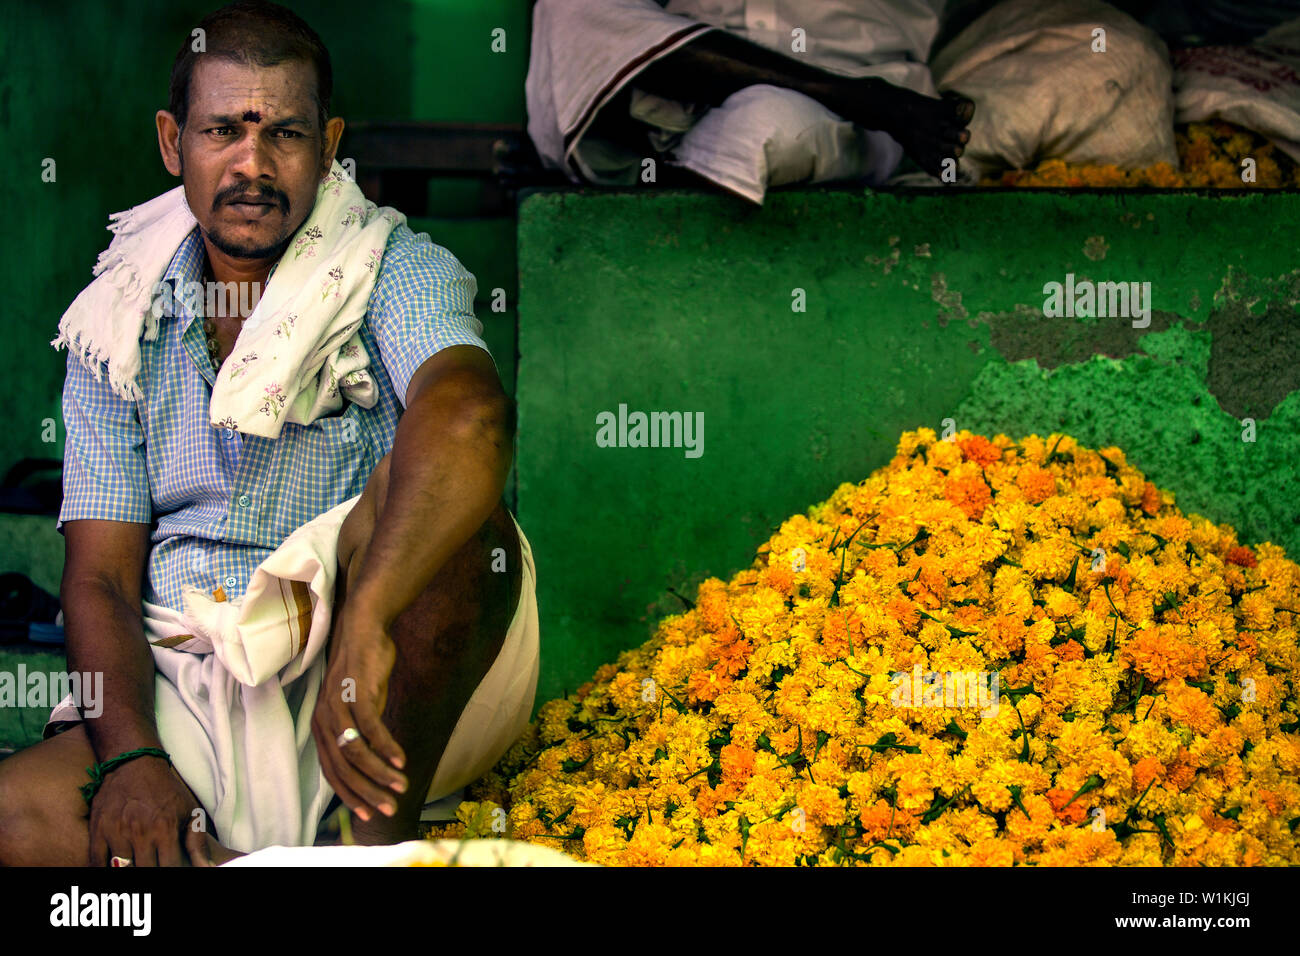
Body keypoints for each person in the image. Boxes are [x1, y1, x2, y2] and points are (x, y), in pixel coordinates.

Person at [0, 0, 539, 866]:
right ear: (174, 144)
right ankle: (268, 853)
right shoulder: (116, 316)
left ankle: (371, 845)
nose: (252, 165)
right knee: (14, 822)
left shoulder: (391, 267)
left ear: (328, 148)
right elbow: (98, 578)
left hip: (378, 680)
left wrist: (367, 616)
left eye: (283, 135)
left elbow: (473, 416)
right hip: (193, 679)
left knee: (454, 515)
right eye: (223, 131)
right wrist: (135, 762)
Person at [526, 0, 976, 203]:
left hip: (857, 85)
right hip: (689, 68)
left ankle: (631, 151)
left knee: (761, 129)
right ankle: (862, 100)